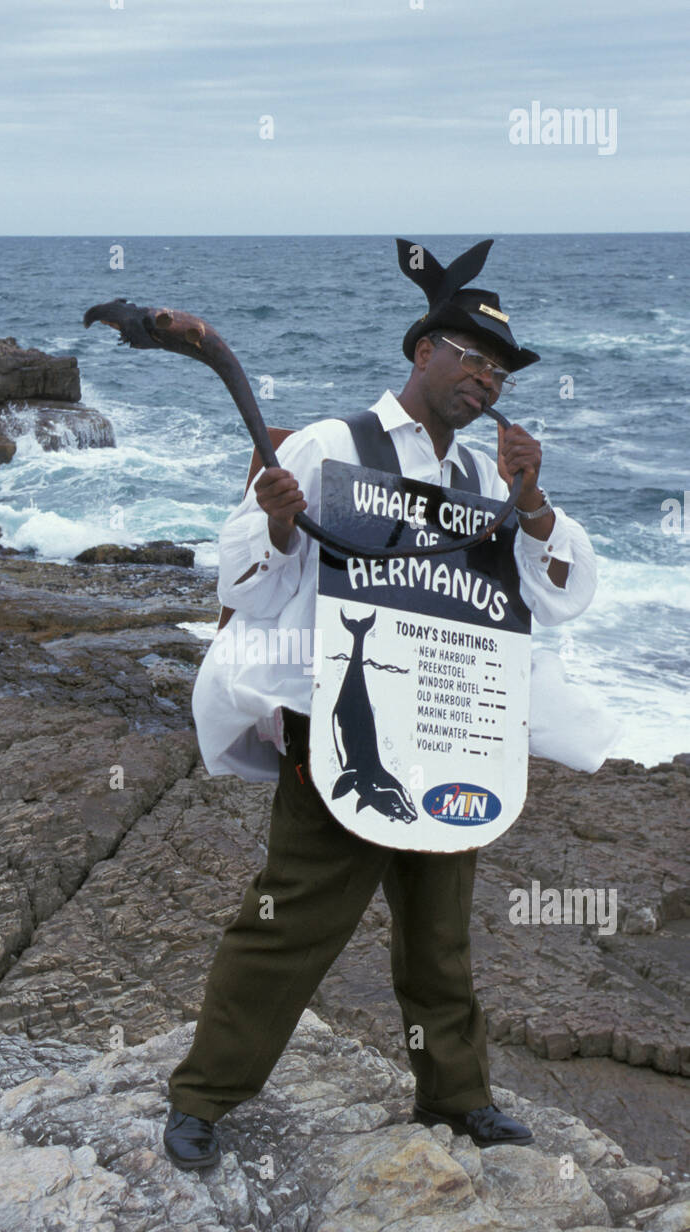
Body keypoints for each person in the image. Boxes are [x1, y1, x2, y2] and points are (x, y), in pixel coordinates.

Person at [163, 238, 598, 1169]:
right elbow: (237, 578)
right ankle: (205, 1095)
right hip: (339, 729)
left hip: (451, 734)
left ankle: (456, 1098)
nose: (486, 380)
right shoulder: (331, 445)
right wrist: (280, 523)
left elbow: (556, 596)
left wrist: (536, 508)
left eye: (501, 370)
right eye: (471, 358)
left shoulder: (487, 480)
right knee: (288, 923)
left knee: (439, 941)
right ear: (423, 352)